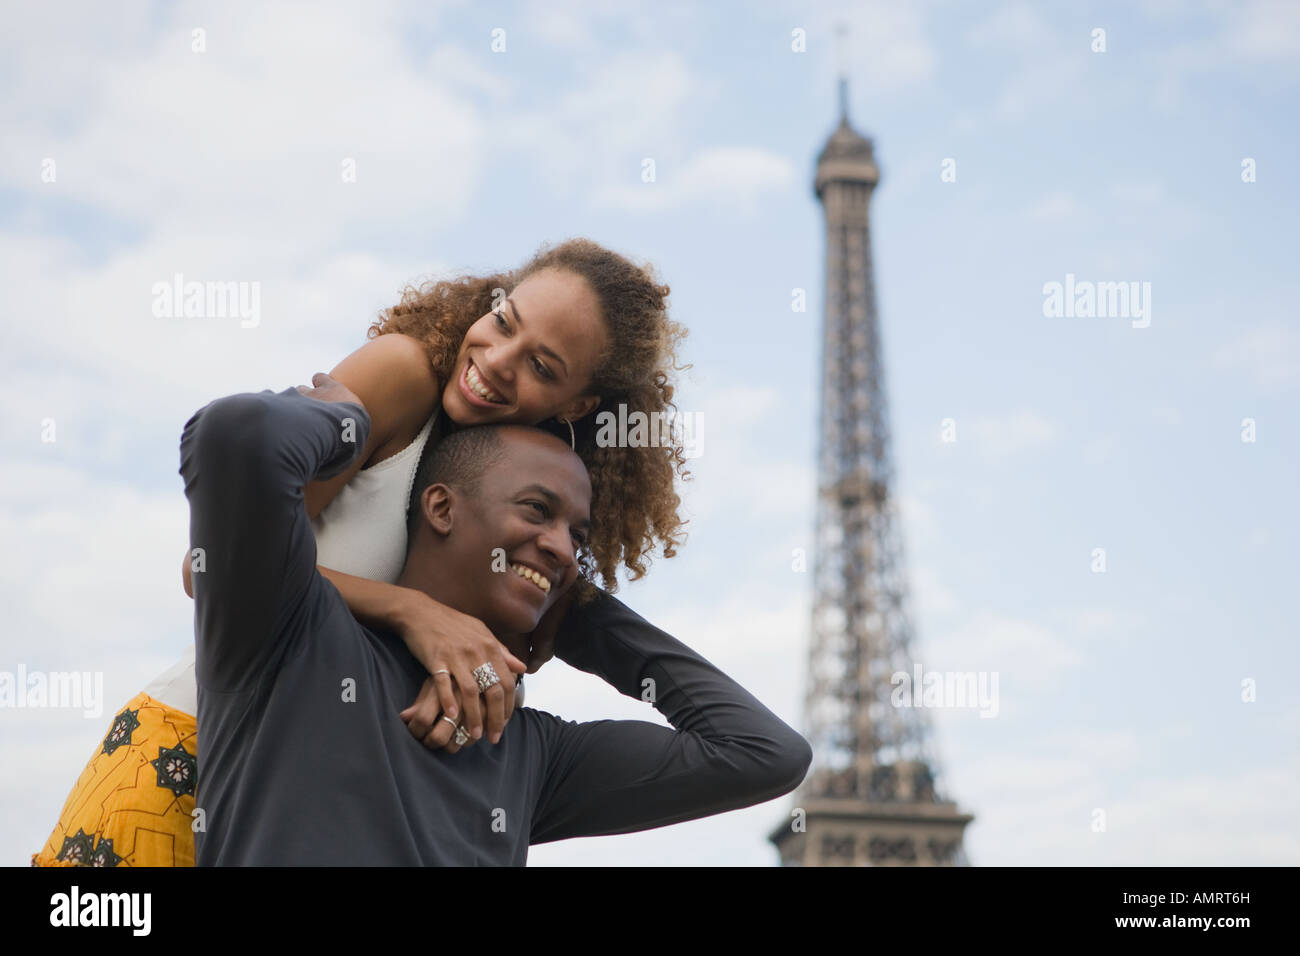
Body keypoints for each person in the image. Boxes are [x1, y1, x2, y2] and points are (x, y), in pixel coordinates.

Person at [31, 238, 691, 867]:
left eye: (541, 365)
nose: (495, 358)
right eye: (503, 318)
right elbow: (206, 569)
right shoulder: (402, 374)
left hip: (302, 804)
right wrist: (410, 611)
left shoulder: (522, 497)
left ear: (579, 404)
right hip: (182, 759)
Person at [186, 376, 810, 864]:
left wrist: (575, 613)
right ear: (440, 507)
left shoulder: (528, 751)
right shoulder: (288, 633)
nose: (564, 548)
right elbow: (237, 435)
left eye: (577, 538)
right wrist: (347, 422)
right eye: (538, 511)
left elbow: (764, 753)